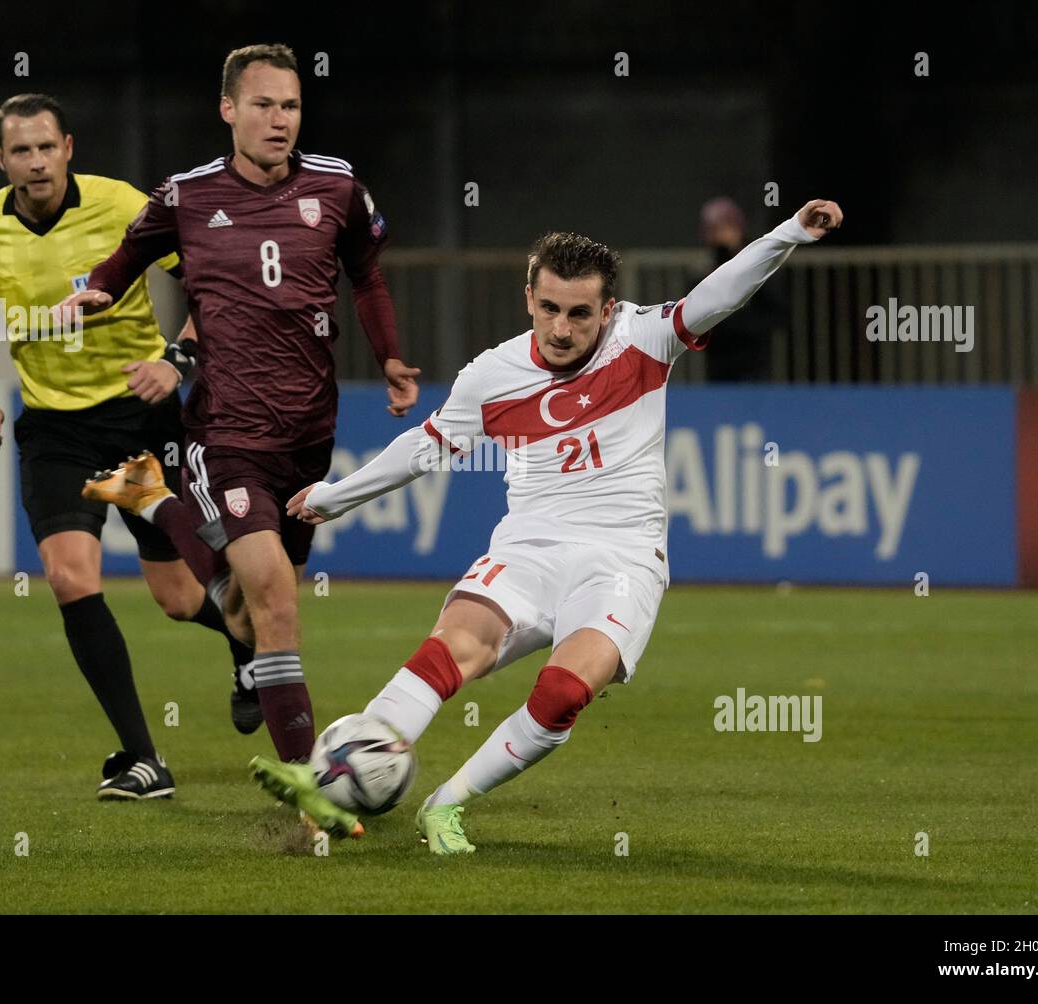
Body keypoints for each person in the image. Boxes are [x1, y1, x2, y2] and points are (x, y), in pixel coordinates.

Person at [246, 200, 844, 847]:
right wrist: (338, 496)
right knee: (450, 647)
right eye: (550, 308)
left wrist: (789, 233)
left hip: (622, 562)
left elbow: (720, 293)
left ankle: (446, 804)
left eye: (580, 313)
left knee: (561, 692)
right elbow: (426, 445)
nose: (562, 328)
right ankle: (334, 779)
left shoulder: (645, 338)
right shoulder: (492, 375)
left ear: (607, 311)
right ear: (529, 296)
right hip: (529, 549)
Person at [64, 43, 420, 764]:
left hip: (310, 434)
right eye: (262, 105)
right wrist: (96, 286)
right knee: (278, 600)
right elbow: (128, 257)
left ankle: (153, 501)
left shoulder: (339, 186)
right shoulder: (186, 195)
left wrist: (388, 357)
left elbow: (367, 276)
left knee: (250, 615)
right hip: (226, 431)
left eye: (290, 105)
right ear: (228, 110)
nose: (279, 119)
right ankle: (308, 788)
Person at [0, 93, 254, 800]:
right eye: (20, 151)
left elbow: (211, 287)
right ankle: (144, 760)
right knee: (69, 578)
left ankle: (246, 640)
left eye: (46, 146)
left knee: (177, 597)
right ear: (2, 160)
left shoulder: (123, 208)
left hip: (138, 424)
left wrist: (175, 362)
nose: (35, 161)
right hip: (54, 430)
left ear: (69, 147)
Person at [695, 197, 791, 382]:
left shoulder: (758, 262)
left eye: (724, 227)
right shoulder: (704, 269)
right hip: (719, 361)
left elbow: (777, 311)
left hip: (754, 360)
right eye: (713, 229)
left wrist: (744, 325)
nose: (719, 234)